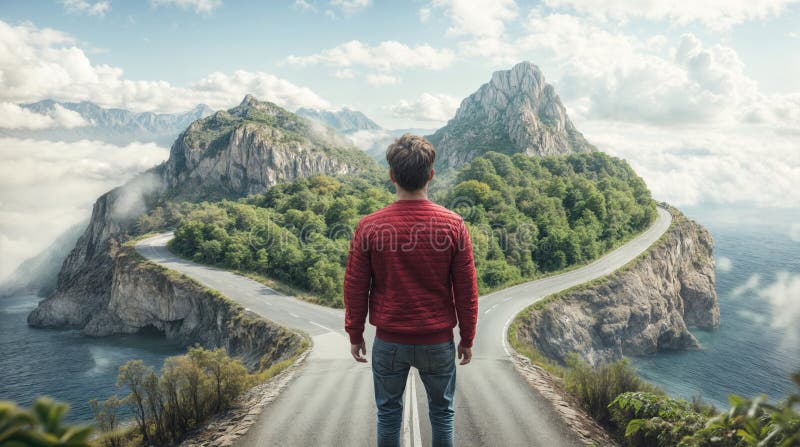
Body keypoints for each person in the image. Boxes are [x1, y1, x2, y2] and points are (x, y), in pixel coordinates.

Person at [343, 133, 479, 447]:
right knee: (442, 412)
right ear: (431, 175)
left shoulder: (370, 227)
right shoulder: (453, 225)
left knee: (388, 414)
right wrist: (467, 338)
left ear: (391, 176)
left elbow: (355, 286)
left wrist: (355, 333)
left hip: (390, 342)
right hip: (438, 342)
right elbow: (466, 290)